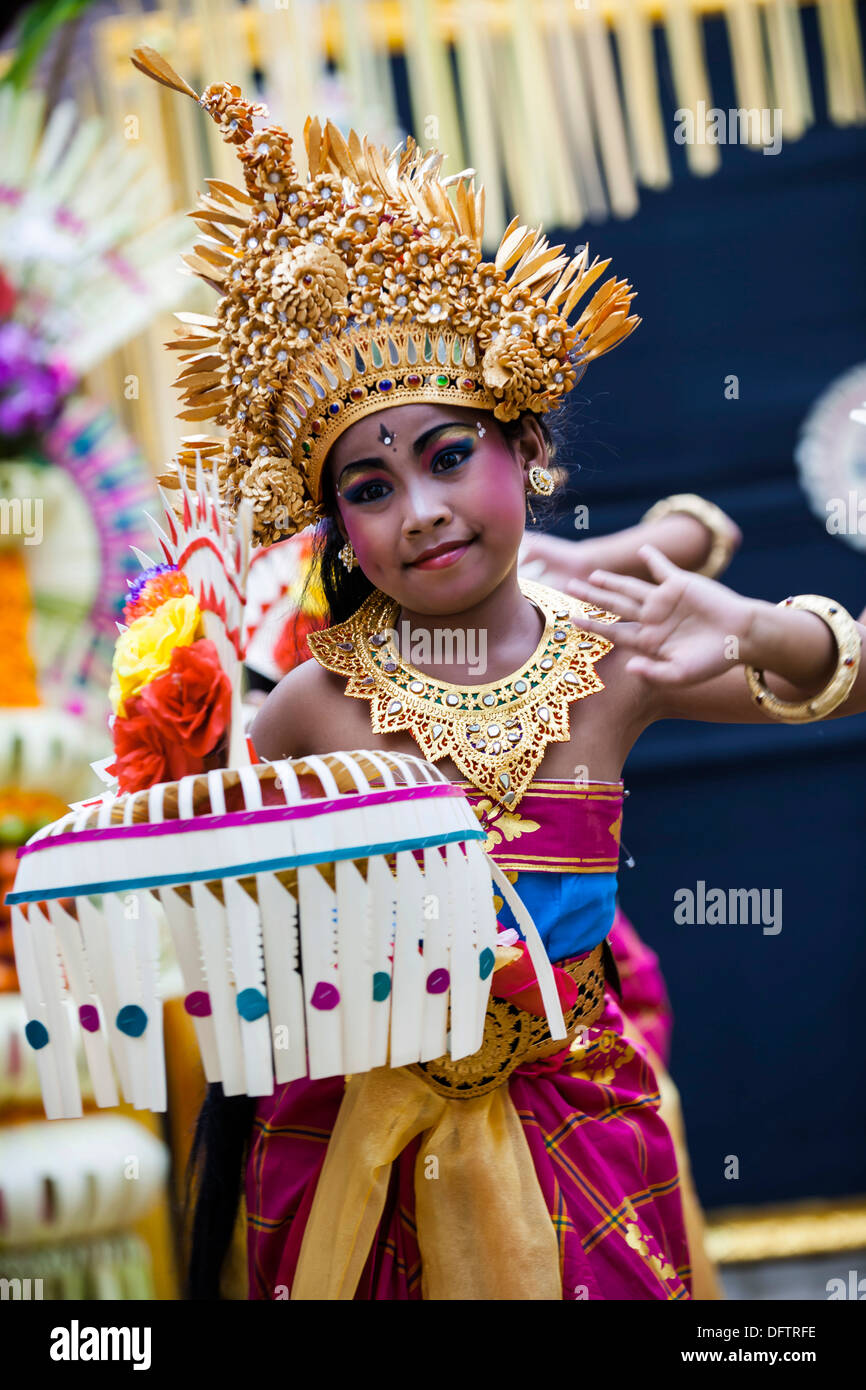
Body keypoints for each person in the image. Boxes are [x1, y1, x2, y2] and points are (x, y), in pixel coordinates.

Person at [131, 49, 865, 1300]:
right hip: (362, 1145)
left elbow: (830, 672)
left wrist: (746, 625)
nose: (416, 511)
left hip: (576, 1124)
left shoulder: (604, 655)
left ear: (525, 449)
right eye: (368, 489)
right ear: (332, 530)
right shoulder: (313, 704)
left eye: (447, 453)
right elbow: (255, 951)